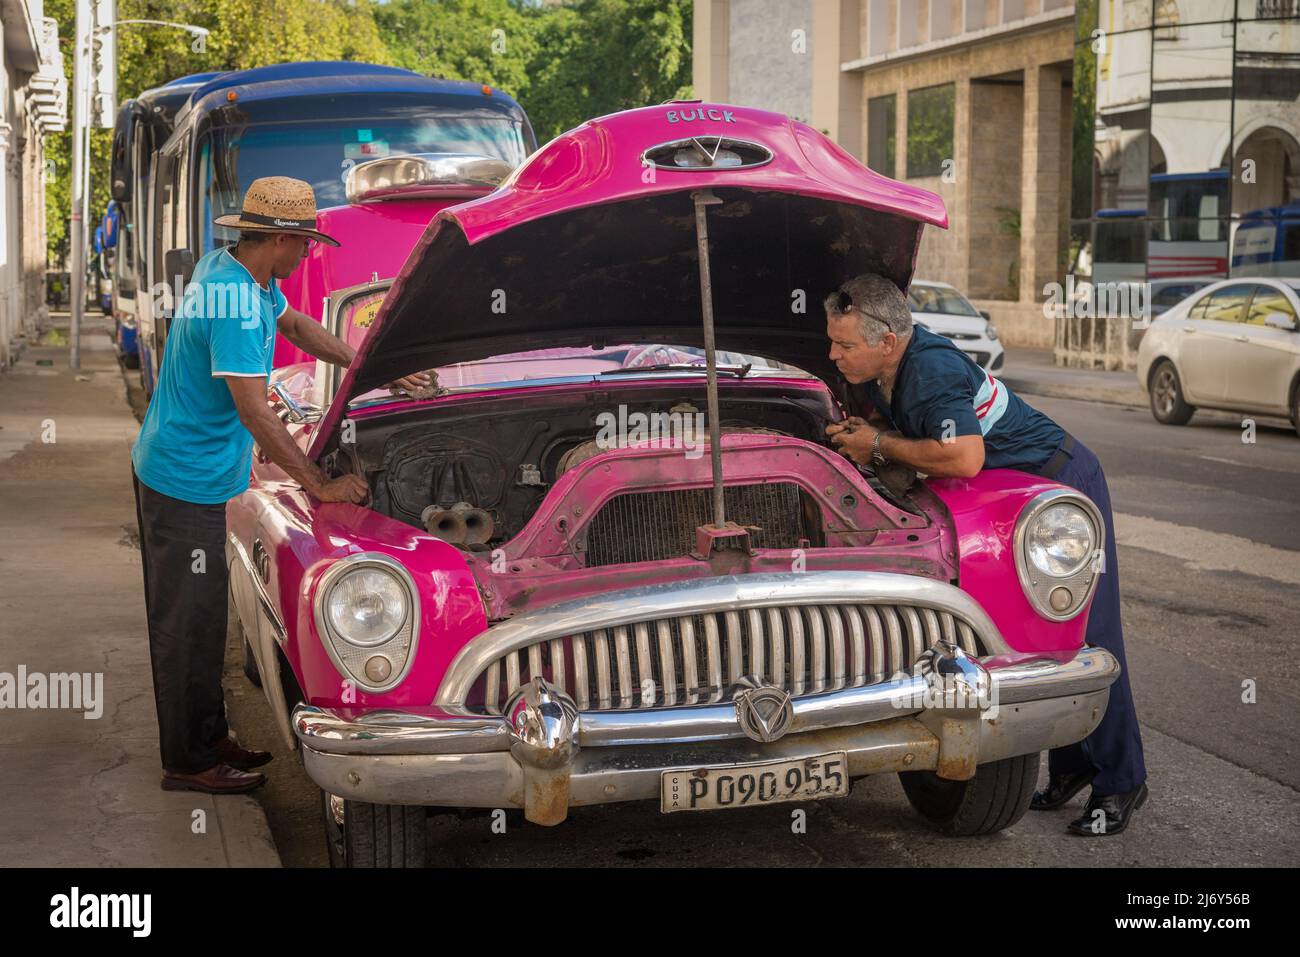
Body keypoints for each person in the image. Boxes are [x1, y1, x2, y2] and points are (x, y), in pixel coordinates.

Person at [130, 177, 428, 794]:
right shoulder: (236, 304)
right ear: (280, 240)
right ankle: (186, 761)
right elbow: (255, 412)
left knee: (205, 619)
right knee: (186, 624)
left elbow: (296, 327)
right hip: (182, 479)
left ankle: (207, 735)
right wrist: (320, 485)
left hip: (195, 474)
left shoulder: (242, 275)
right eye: (305, 243)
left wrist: (367, 367)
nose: (309, 253)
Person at [822, 273, 1148, 836]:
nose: (833, 355)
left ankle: (1122, 781)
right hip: (1010, 493)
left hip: (1059, 486)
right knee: (1037, 639)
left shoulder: (931, 369)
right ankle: (1073, 768)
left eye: (844, 344)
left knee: (1088, 635)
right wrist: (869, 430)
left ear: (888, 341)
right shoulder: (884, 371)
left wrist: (875, 444)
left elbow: (964, 457)